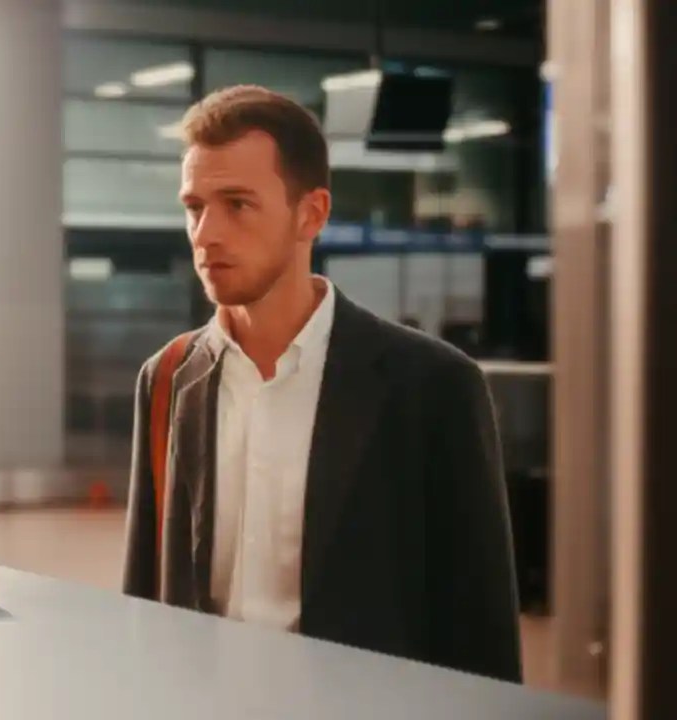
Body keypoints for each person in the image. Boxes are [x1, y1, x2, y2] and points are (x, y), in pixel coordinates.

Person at [122, 85, 522, 683]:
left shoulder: (433, 386)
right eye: (194, 206)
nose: (206, 234)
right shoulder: (169, 378)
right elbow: (146, 596)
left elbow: (479, 630)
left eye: (237, 204)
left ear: (311, 214)